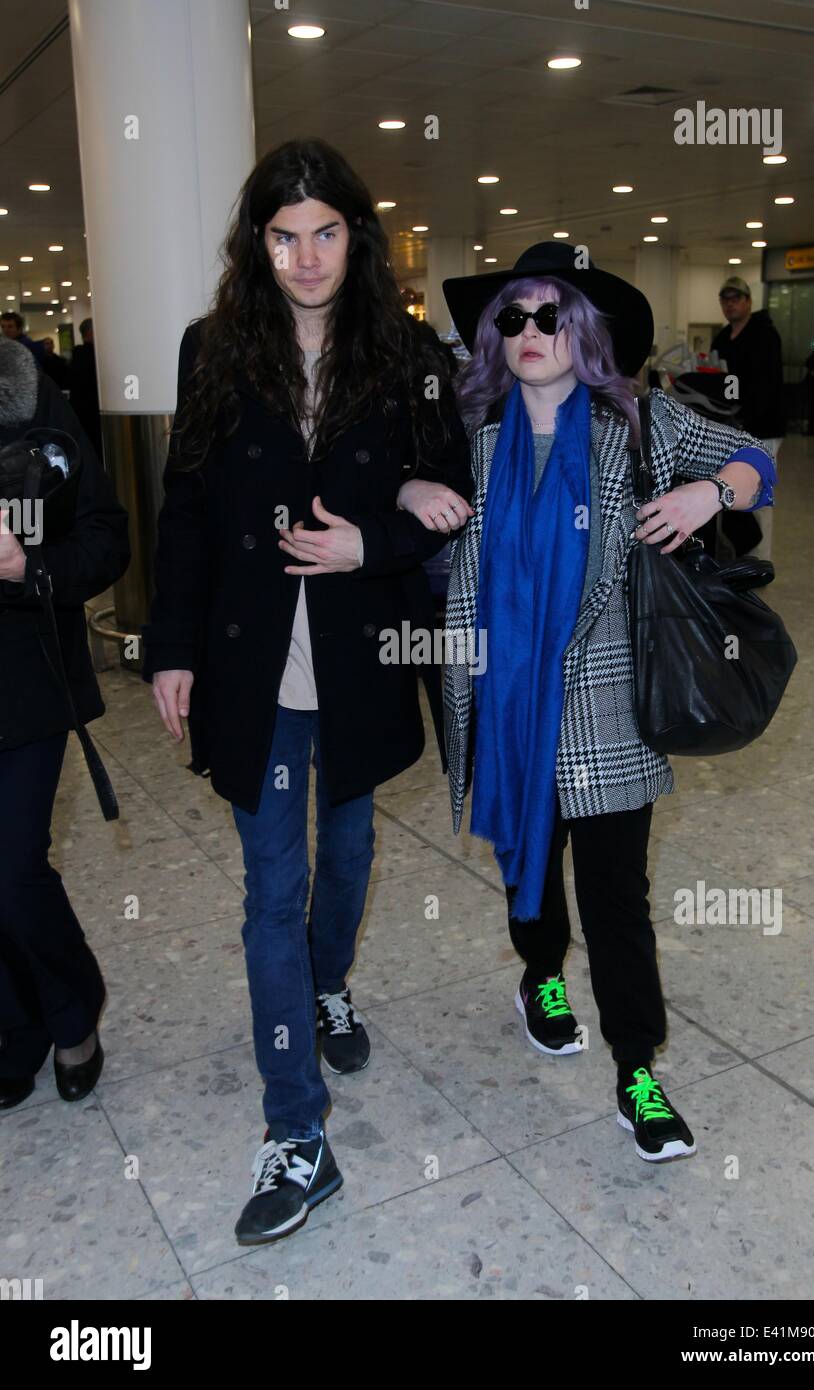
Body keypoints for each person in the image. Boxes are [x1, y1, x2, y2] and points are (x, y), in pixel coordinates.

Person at [142, 138, 472, 1246]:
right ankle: (298, 1132)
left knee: (353, 856)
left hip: (361, 657)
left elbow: (449, 494)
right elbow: (185, 504)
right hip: (252, 668)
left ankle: (331, 984)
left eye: (325, 231)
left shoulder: (407, 350)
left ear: (356, 237)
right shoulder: (214, 349)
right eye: (283, 236)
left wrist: (367, 539)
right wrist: (169, 645)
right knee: (267, 893)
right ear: (257, 245)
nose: (305, 255)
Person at [399, 242, 775, 1163]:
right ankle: (539, 974)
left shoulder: (639, 422)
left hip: (608, 706)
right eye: (514, 318)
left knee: (619, 899)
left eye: (551, 314)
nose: (531, 333)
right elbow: (392, 484)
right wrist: (409, 486)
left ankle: (638, 1068)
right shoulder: (467, 425)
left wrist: (705, 495)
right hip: (502, 700)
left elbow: (759, 455)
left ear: (586, 331)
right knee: (529, 869)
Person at [0, 336, 129, 1109]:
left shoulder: (29, 397)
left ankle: (72, 1007)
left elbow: (105, 536)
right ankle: (15, 1027)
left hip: (23, 680)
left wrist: (26, 570)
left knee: (13, 872)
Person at [711, 276, 785, 559]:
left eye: (735, 299)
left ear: (748, 301)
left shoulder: (764, 335)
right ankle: (740, 554)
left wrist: (745, 420)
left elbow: (766, 388)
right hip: (732, 428)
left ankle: (760, 561)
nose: (730, 305)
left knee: (760, 493)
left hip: (762, 429)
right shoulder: (723, 337)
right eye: (725, 299)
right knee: (735, 491)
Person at [68, 318, 102, 459]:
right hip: (92, 413)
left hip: (82, 413)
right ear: (91, 333)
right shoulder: (94, 355)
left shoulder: (78, 355)